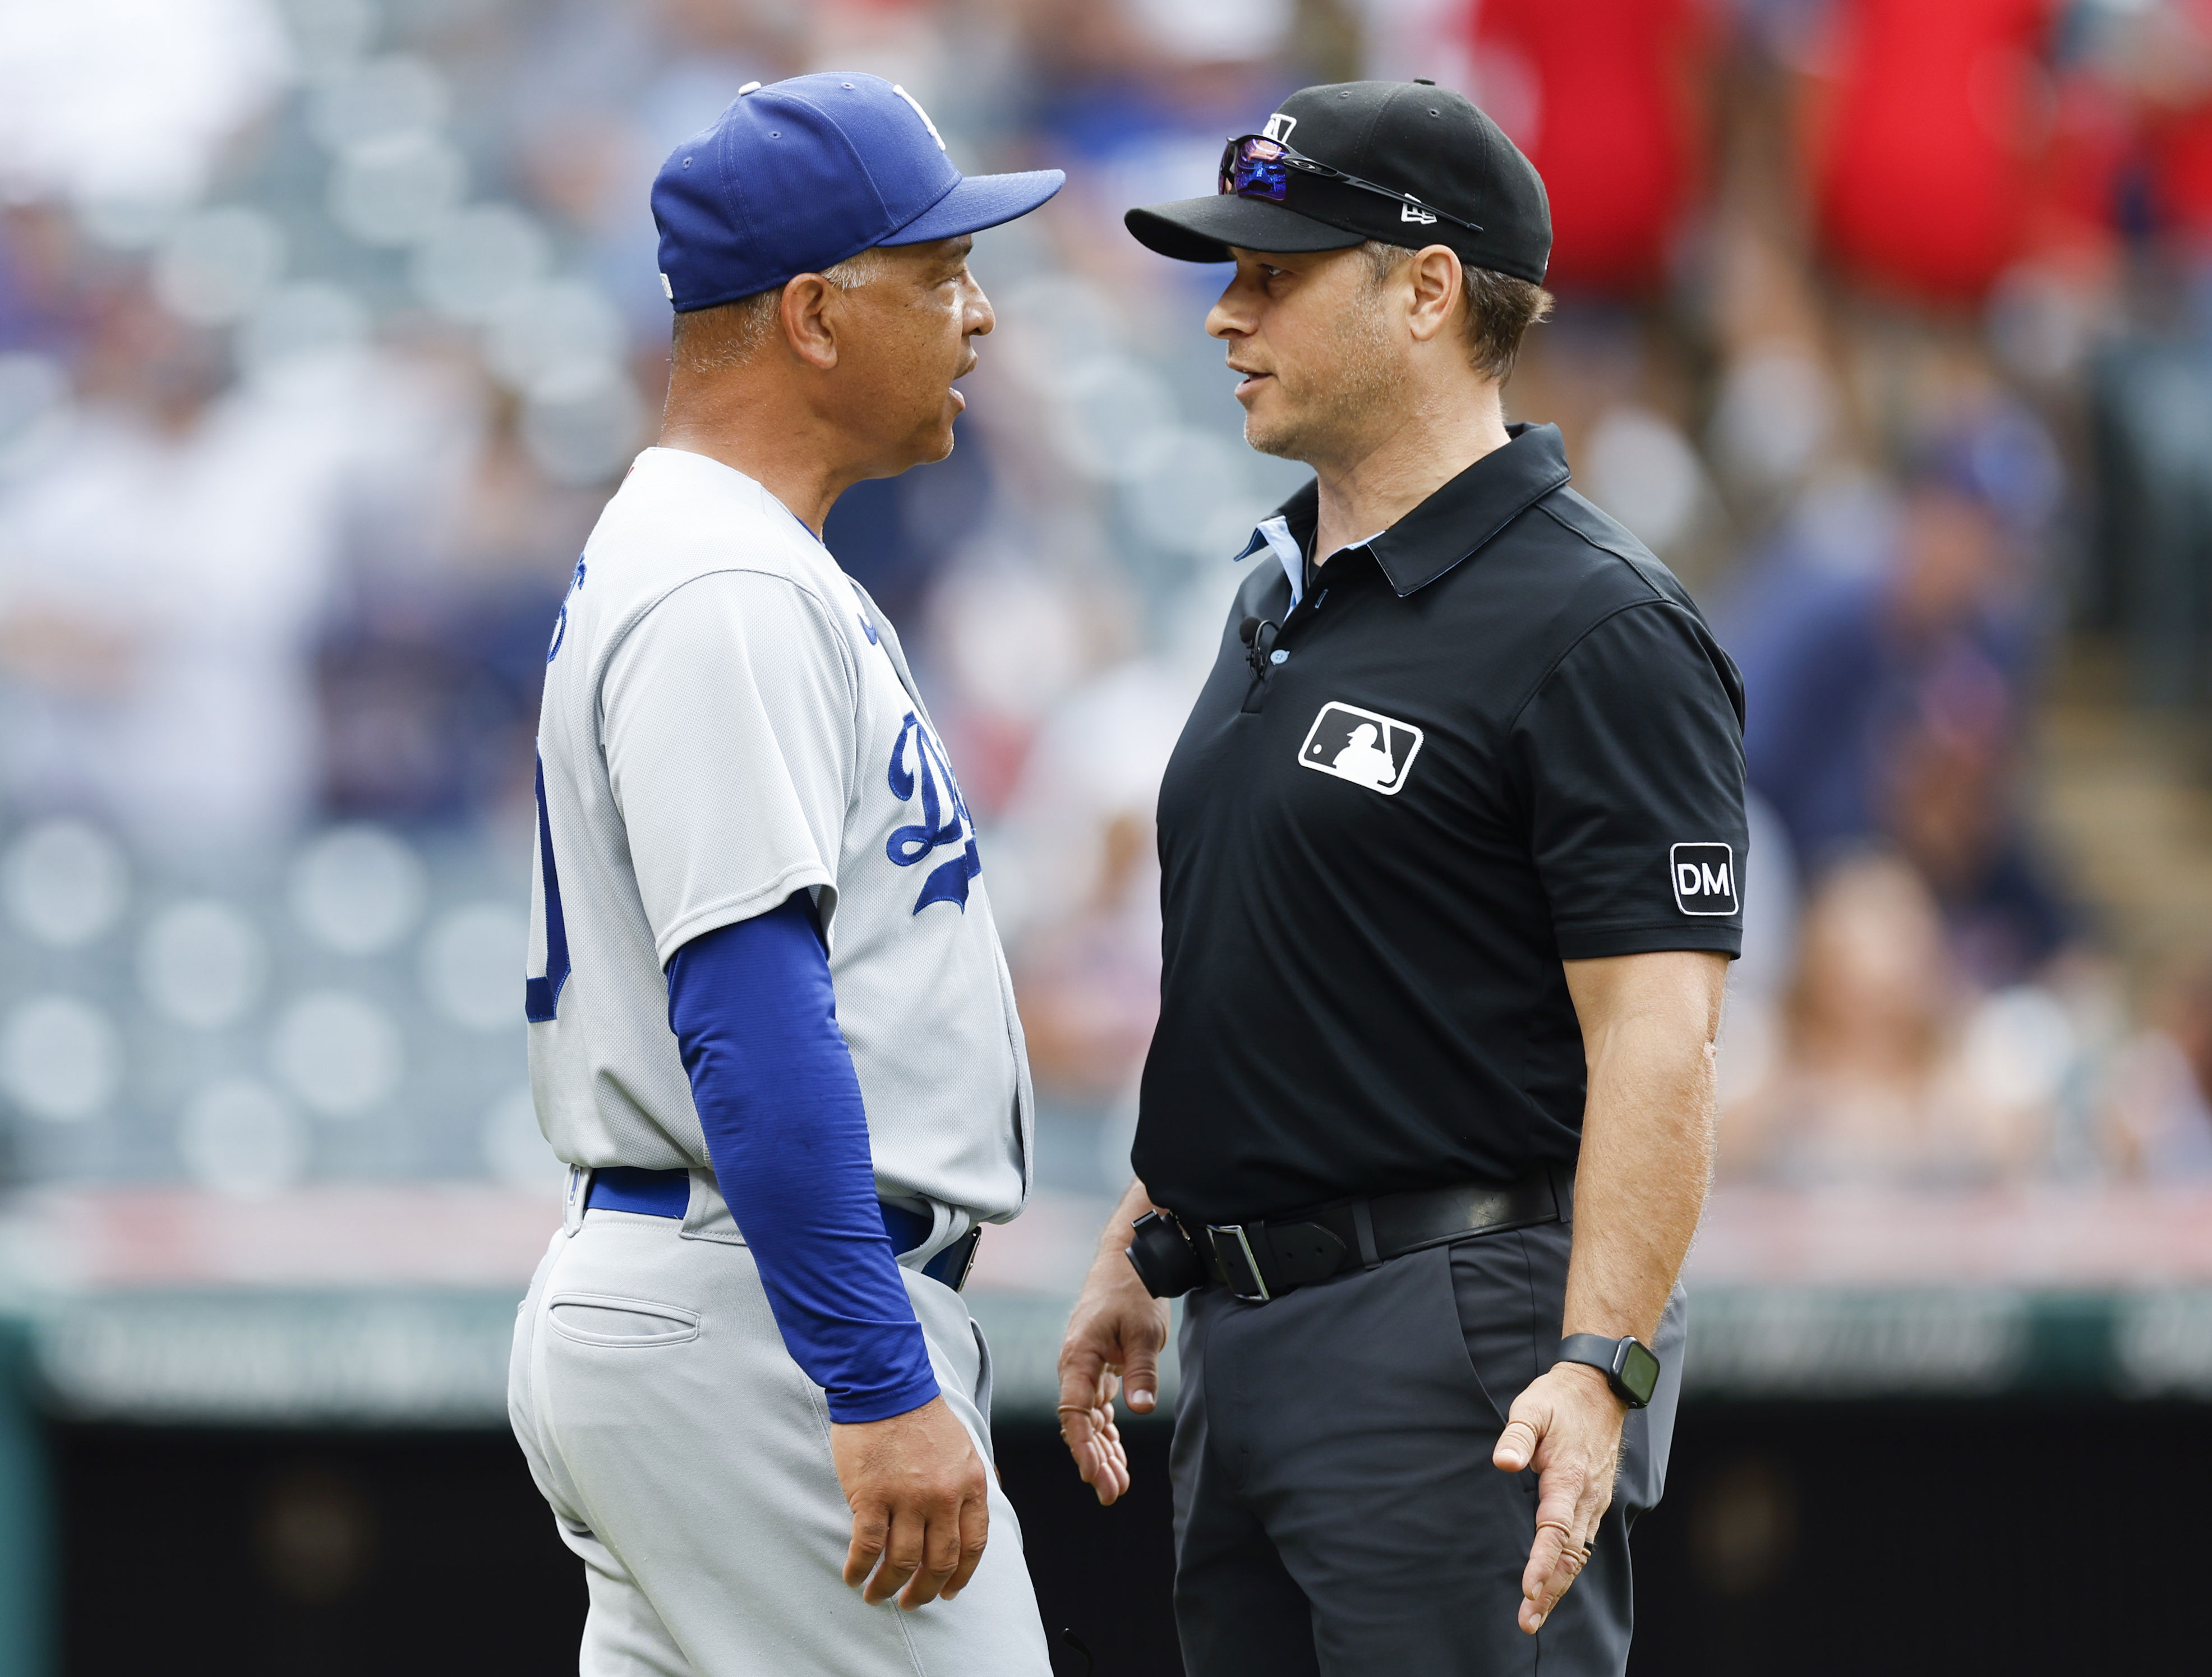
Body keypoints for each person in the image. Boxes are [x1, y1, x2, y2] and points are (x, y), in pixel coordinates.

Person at [1055, 81, 1748, 1675]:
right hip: (1243, 1340)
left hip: (1457, 1343)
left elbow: (1659, 1038)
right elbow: (1287, 967)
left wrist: (1600, 1365)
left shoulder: (1597, 624)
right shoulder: (1279, 595)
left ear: (1428, 290)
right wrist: (1150, 1231)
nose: (1226, 313)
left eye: (1275, 274)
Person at [506, 73, 1063, 1674]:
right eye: (940, 275)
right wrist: (873, 1376)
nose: (980, 315)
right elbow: (750, 1018)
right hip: (759, 1317)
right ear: (815, 317)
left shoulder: (722, 553)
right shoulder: (724, 584)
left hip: (709, 1292)